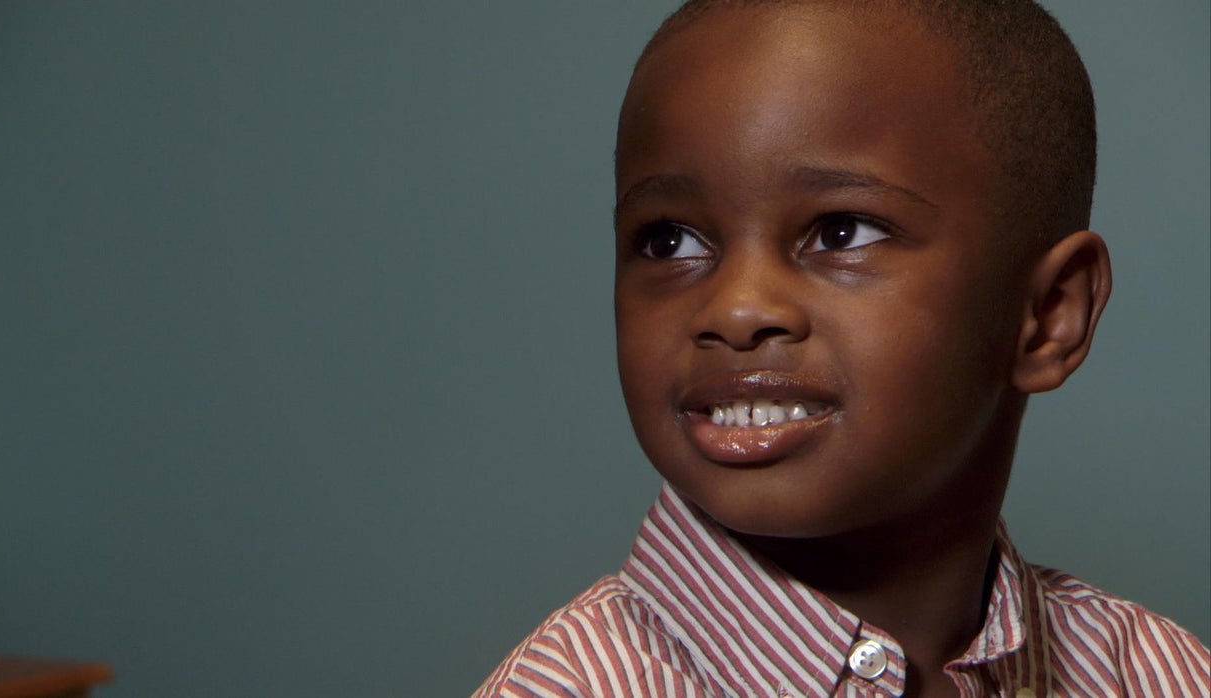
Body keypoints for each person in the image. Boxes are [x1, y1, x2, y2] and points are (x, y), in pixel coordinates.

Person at [475, 1, 1211, 696]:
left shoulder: (1160, 674)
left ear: (1050, 314)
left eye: (841, 232)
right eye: (670, 240)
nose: (735, 309)